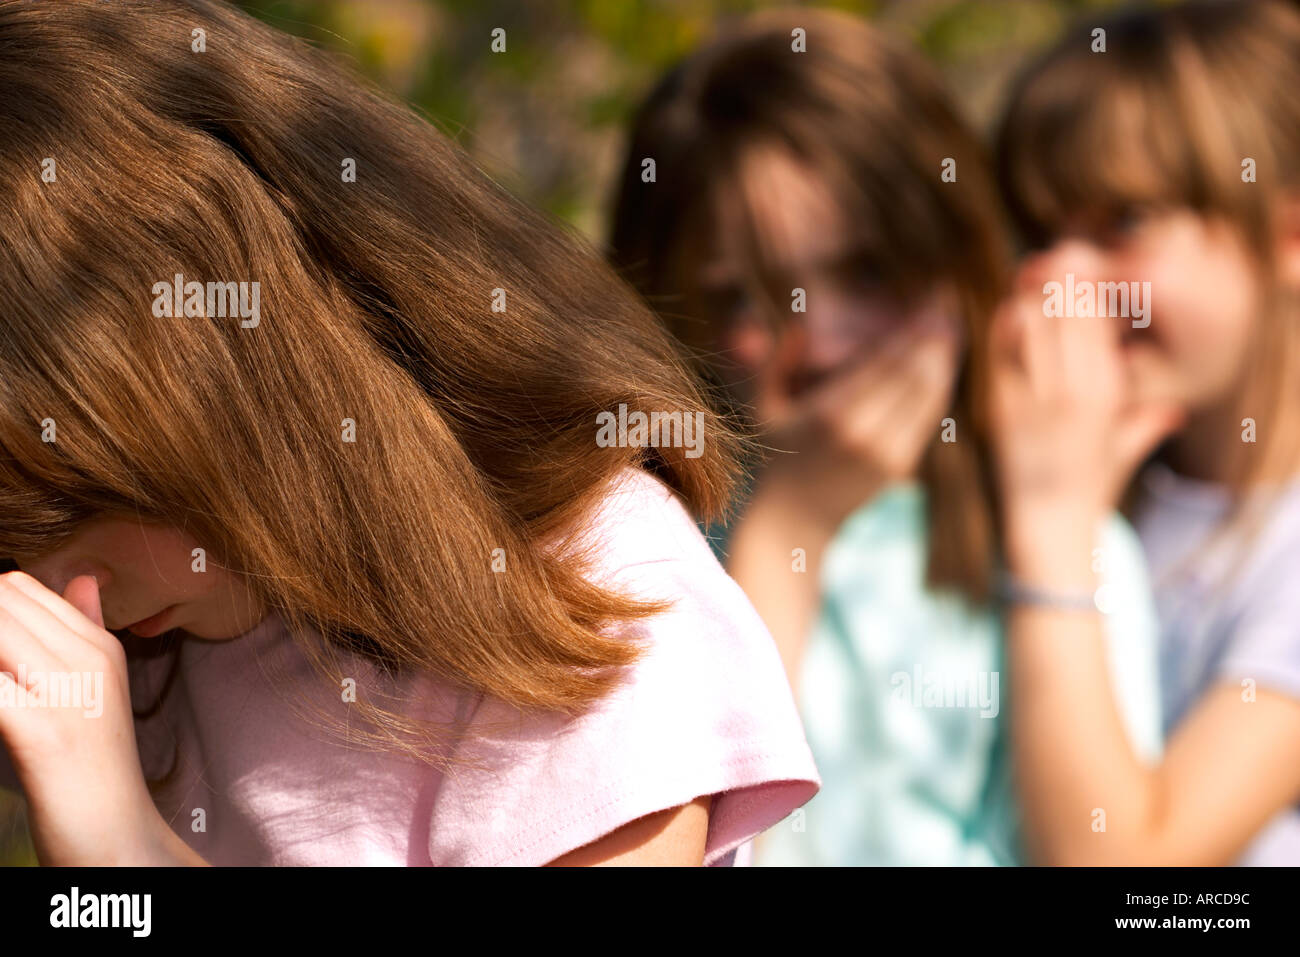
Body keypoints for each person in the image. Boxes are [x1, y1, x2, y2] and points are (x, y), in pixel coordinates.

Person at [0, 0, 818, 866]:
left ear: (220, 374)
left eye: (58, 503)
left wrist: (121, 848)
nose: (50, 589)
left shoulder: (588, 598)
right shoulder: (149, 656)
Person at [608, 8, 1162, 865]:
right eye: (745, 301)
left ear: (954, 258)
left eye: (866, 271)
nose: (823, 338)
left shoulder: (1061, 547)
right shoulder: (640, 555)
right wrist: (790, 530)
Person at [989, 0, 1300, 864]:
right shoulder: (1124, 485)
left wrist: (1053, 520)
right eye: (1042, 232)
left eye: (1125, 220)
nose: (1059, 276)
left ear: (1290, 234)